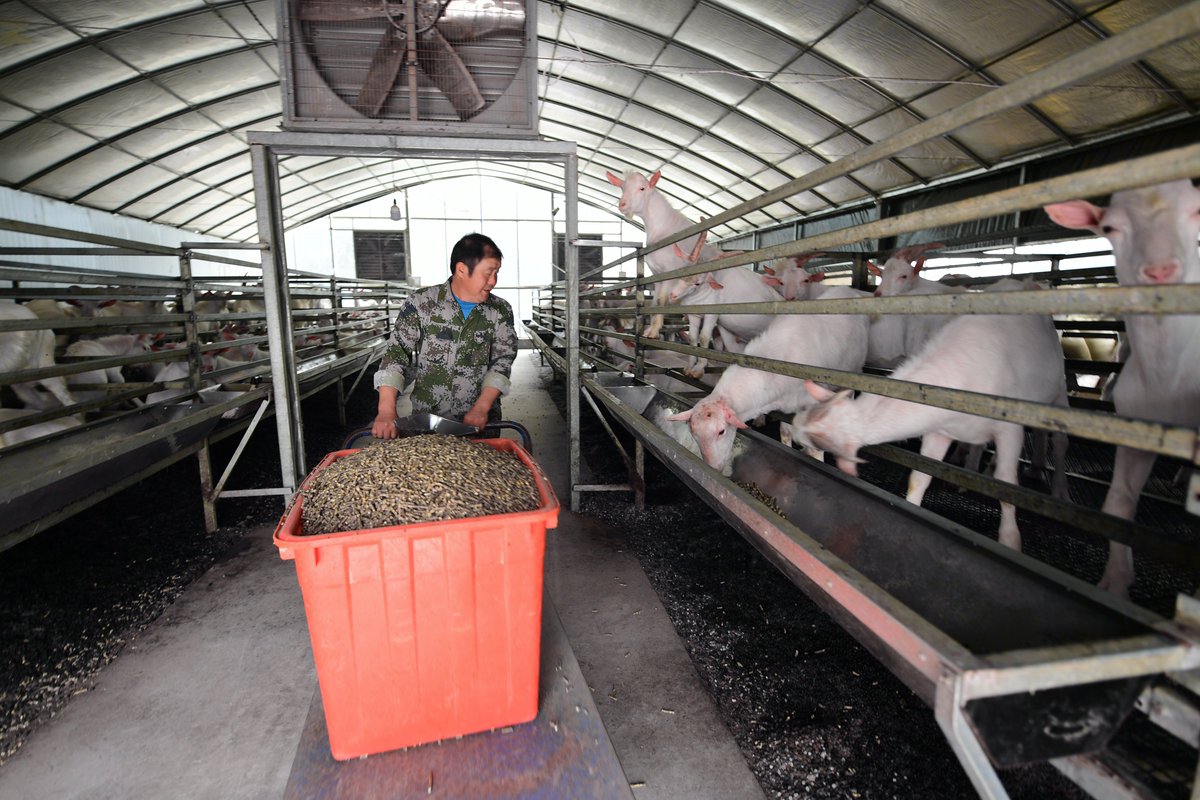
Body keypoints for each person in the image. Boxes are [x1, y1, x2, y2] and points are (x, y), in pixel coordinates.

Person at [371, 232, 517, 438]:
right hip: (429, 423)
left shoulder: (500, 310)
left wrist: (481, 408)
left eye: (497, 273)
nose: (493, 281)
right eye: (488, 273)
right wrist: (386, 410)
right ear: (462, 270)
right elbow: (397, 353)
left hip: (480, 424)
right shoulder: (421, 303)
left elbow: (503, 361)